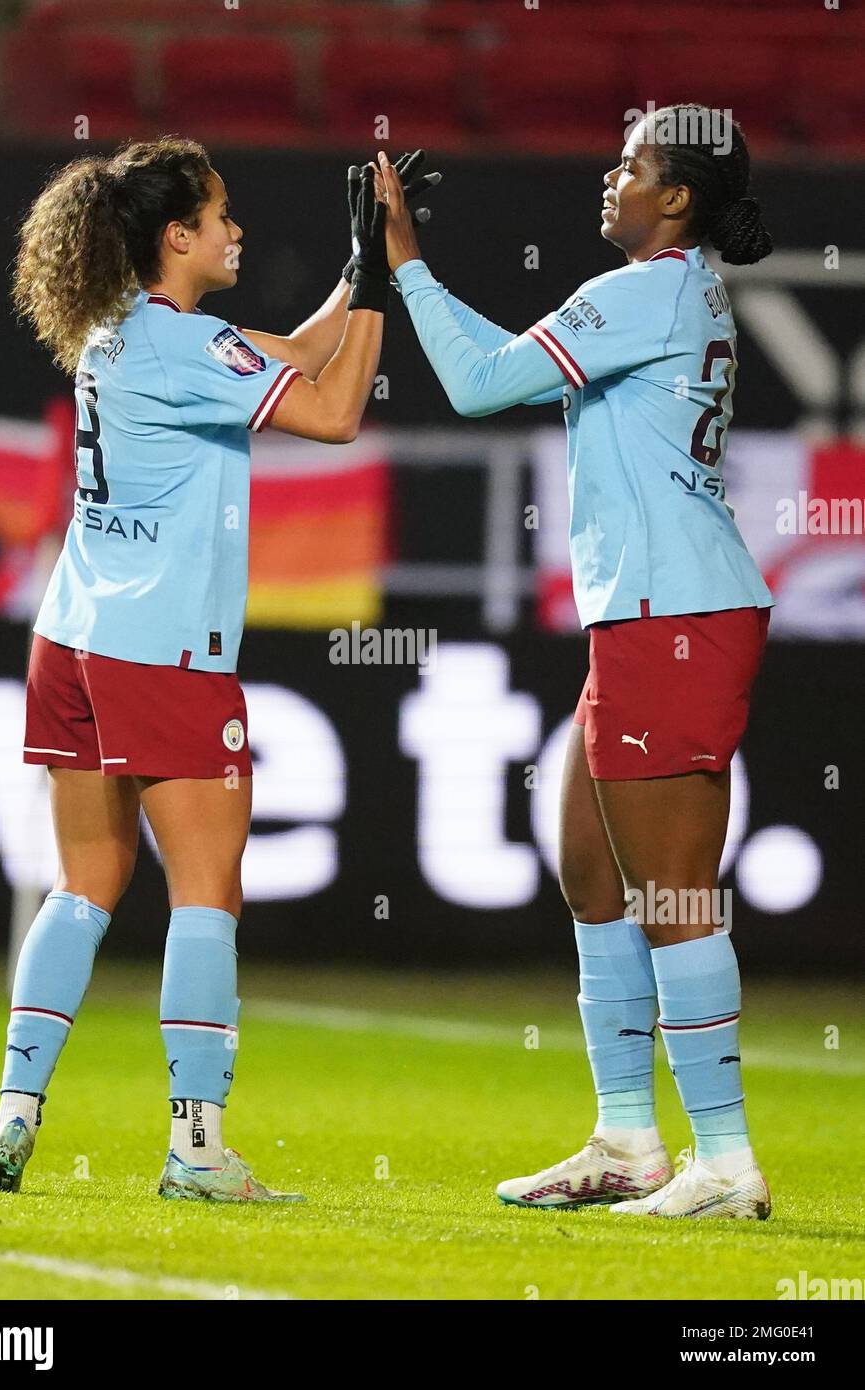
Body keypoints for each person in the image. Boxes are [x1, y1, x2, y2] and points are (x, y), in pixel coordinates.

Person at [0, 137, 437, 1204]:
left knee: (84, 889)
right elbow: (333, 409)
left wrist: (364, 266)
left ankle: (13, 1116)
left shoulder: (119, 336)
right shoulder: (185, 351)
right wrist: (382, 274)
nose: (237, 231)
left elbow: (292, 353)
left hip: (72, 641)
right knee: (208, 894)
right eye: (221, 216)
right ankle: (197, 1145)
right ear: (176, 237)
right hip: (164, 651)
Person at [377, 105, 775, 1219]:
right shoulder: (670, 293)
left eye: (632, 165)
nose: (611, 178)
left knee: (671, 891)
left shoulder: (641, 290)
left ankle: (726, 1160)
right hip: (648, 611)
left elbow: (475, 383)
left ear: (679, 197)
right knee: (593, 872)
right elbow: (510, 371)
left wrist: (405, 263)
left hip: (675, 613)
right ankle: (627, 1139)